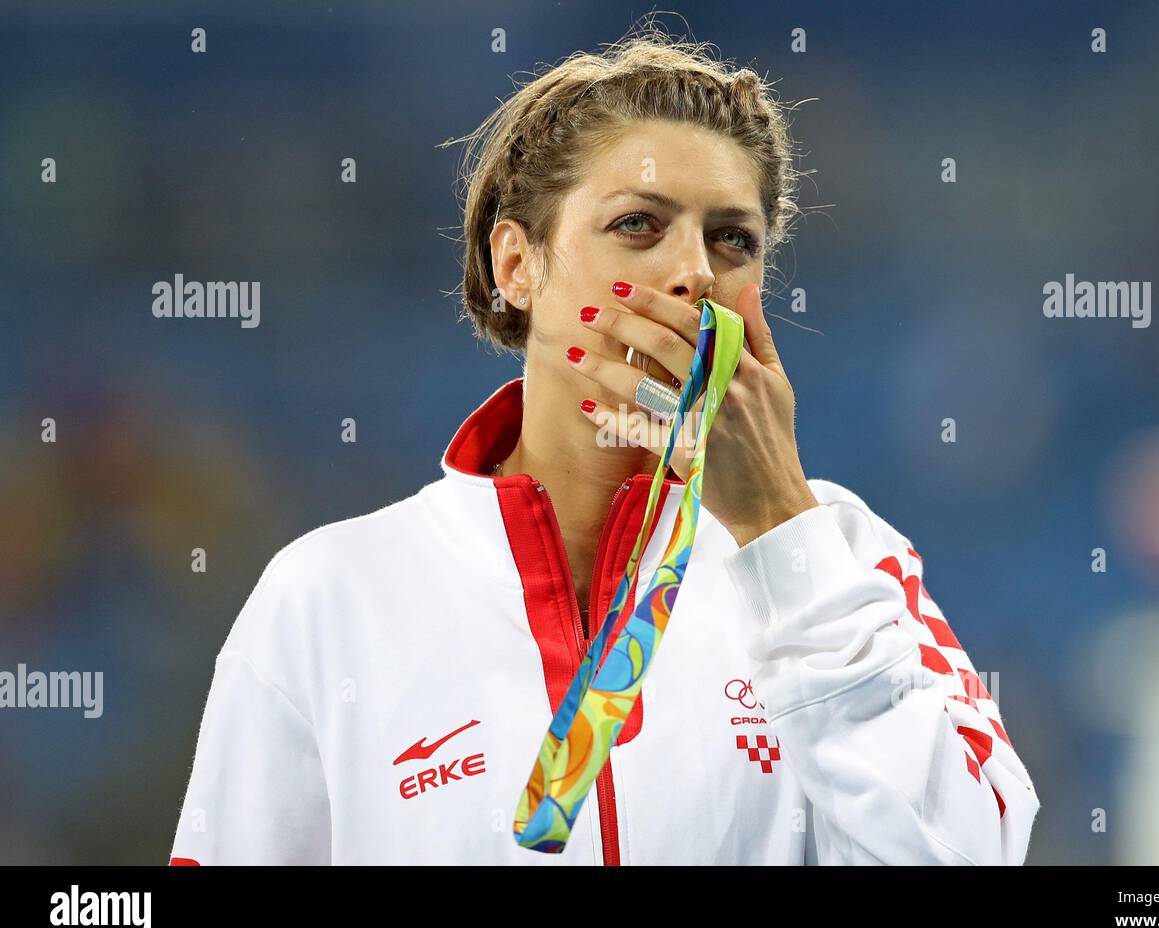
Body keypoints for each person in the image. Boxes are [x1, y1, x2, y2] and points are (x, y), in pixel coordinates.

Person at [169, 26, 1039, 866]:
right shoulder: (330, 598)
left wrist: (779, 529)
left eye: (731, 238)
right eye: (639, 224)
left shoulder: (847, 556)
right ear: (518, 266)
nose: (694, 271)